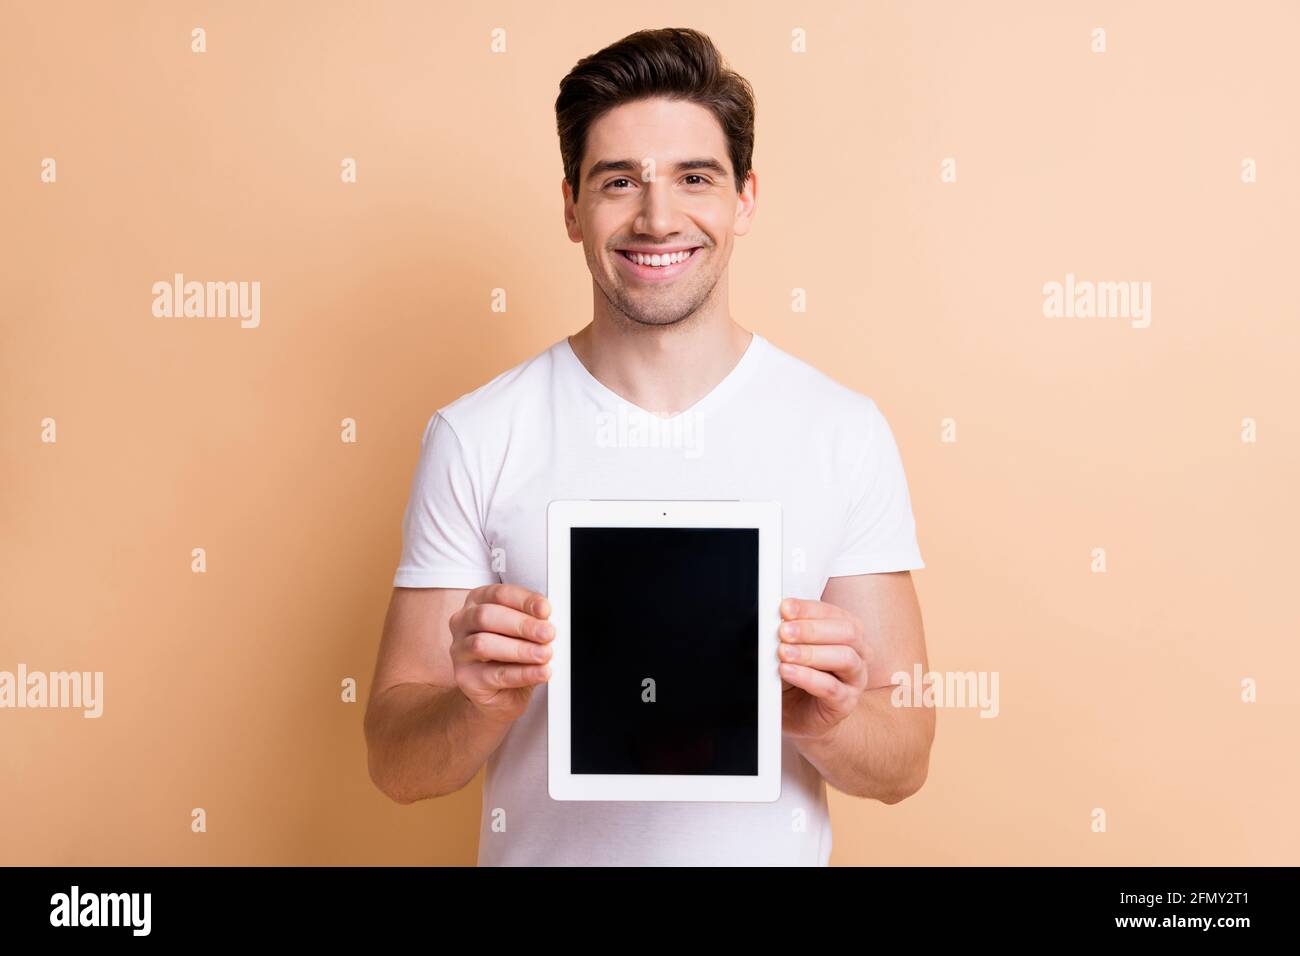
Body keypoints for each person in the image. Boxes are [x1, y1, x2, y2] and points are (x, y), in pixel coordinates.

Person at [364, 27, 933, 866]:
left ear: (744, 198)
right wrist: (477, 705)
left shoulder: (842, 431)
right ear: (571, 207)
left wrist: (831, 720)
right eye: (619, 181)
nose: (657, 216)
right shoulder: (477, 433)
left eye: (693, 178)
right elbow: (395, 763)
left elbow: (905, 760)